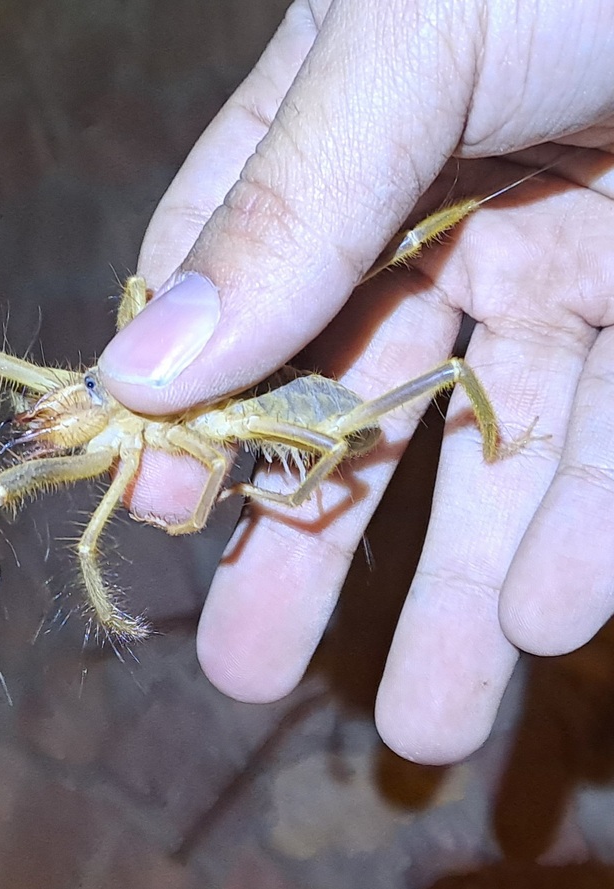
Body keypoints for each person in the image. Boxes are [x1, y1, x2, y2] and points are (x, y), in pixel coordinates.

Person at [97, 0, 614, 765]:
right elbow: (207, 480)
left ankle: (499, 428)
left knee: (439, 362)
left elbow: (213, 477)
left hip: (328, 420)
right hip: (301, 416)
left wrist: (236, 491)